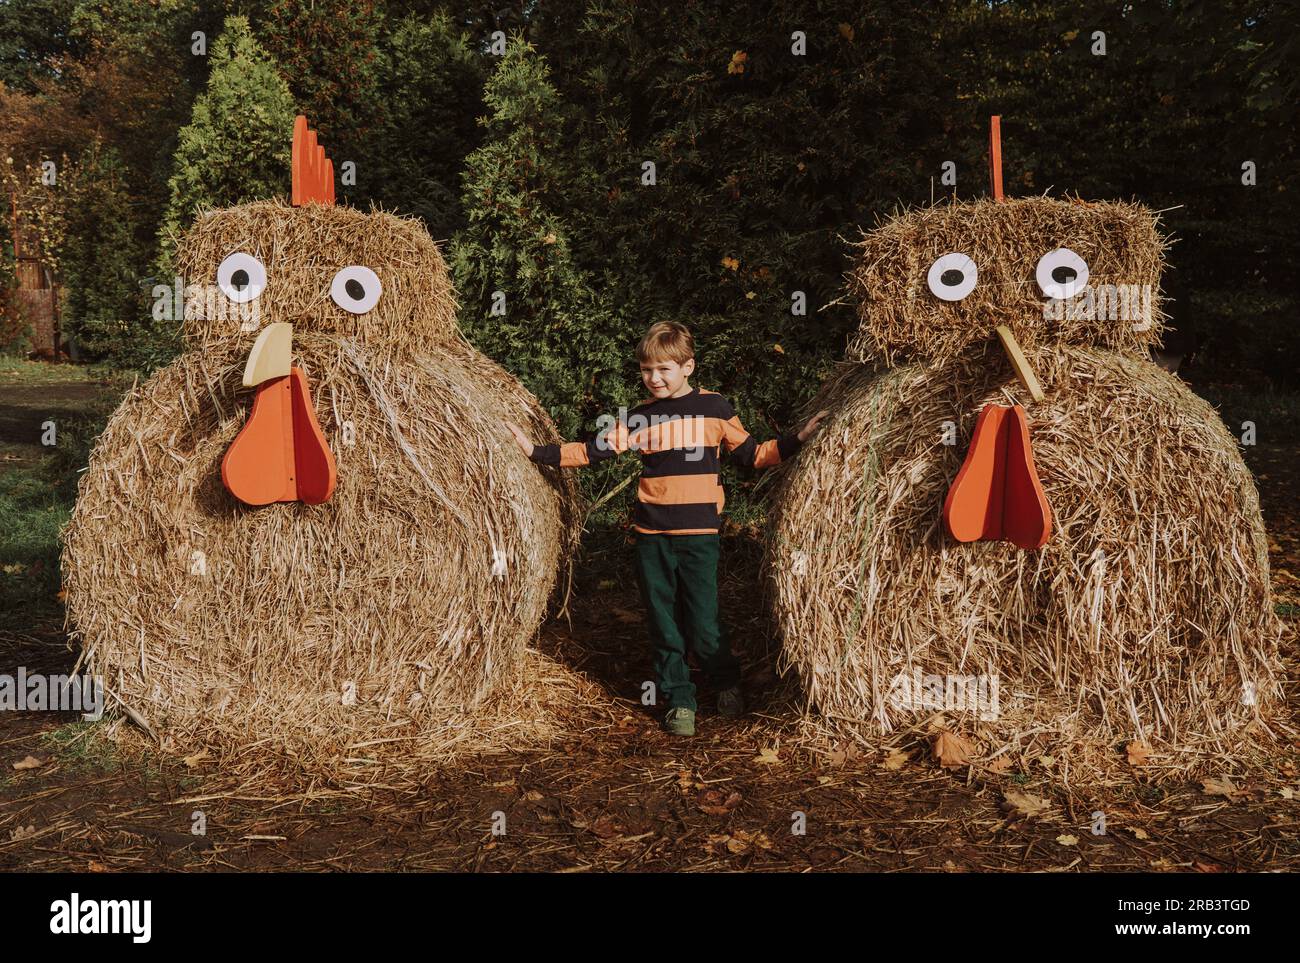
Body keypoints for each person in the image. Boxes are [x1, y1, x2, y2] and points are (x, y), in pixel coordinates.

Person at [505, 321, 828, 736]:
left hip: (699, 535)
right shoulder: (639, 418)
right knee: (662, 618)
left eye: (664, 370)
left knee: (703, 617)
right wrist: (535, 451)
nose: (654, 378)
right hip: (652, 535)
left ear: (688, 367)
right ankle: (679, 698)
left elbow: (754, 455)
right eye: (646, 370)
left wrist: (799, 436)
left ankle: (725, 680)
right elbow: (592, 451)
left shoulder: (715, 408)